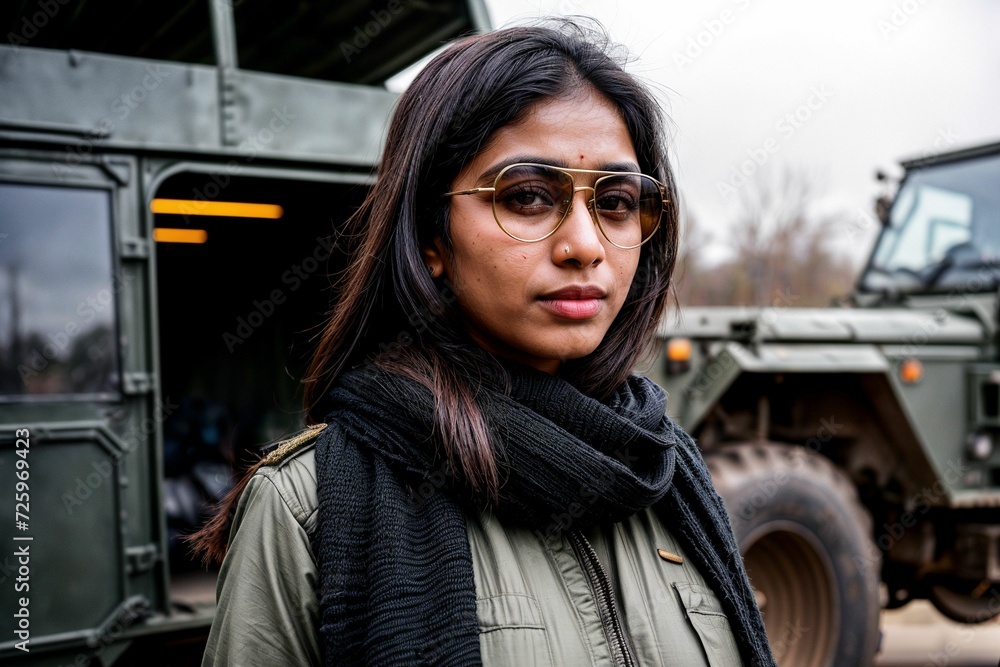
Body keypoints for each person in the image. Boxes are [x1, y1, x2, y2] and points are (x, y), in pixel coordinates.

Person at [192, 20, 775, 667]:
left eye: (614, 201)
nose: (584, 245)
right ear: (431, 236)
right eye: (526, 197)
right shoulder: (306, 511)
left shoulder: (667, 472)